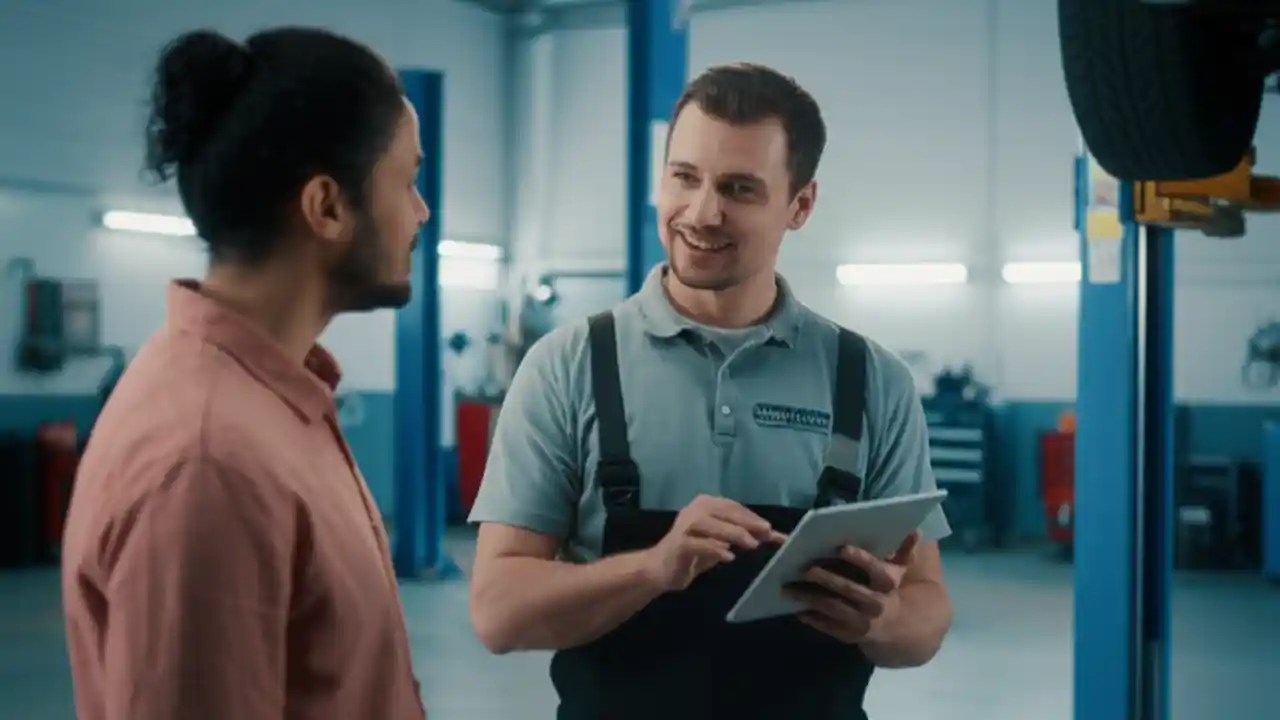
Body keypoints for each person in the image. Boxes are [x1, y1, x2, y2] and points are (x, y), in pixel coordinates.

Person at [467, 62, 954, 719]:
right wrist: (652, 569)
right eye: (684, 178)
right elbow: (498, 612)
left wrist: (882, 619)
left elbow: (927, 613)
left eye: (739, 188)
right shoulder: (570, 366)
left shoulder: (872, 382)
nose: (701, 213)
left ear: (800, 205)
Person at [60, 27, 430, 720]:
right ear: (327, 206)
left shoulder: (273, 402)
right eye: (407, 181)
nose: (421, 212)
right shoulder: (208, 460)